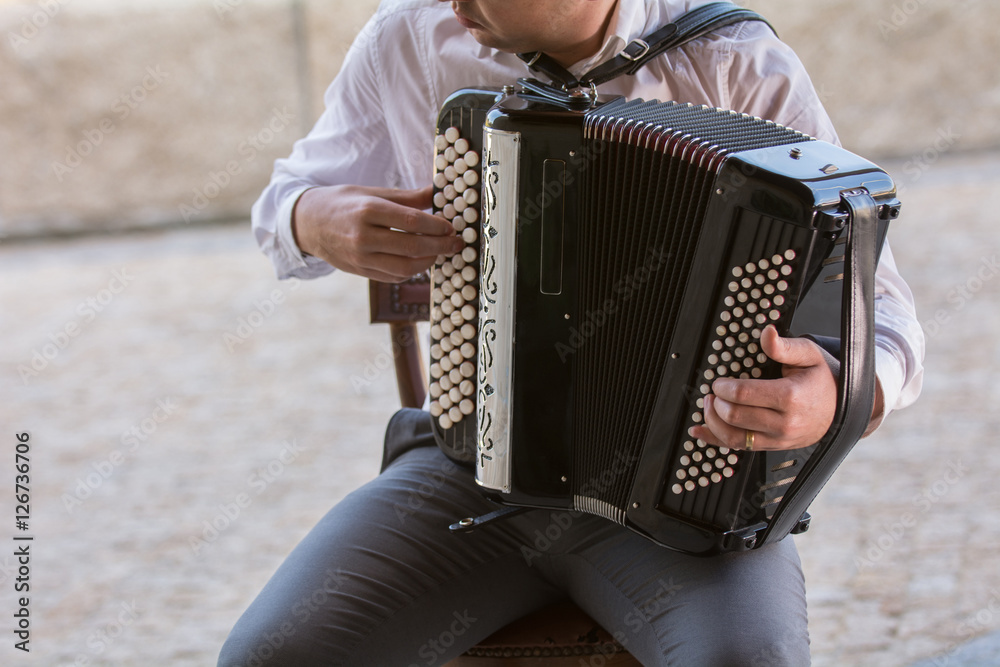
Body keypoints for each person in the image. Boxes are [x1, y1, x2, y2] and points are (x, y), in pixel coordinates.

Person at [219, 0, 925, 664]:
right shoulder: (411, 36)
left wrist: (836, 395)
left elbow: (884, 315)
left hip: (686, 494)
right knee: (269, 656)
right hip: (471, 469)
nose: (452, 4)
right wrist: (317, 217)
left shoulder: (732, 60)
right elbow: (282, 205)